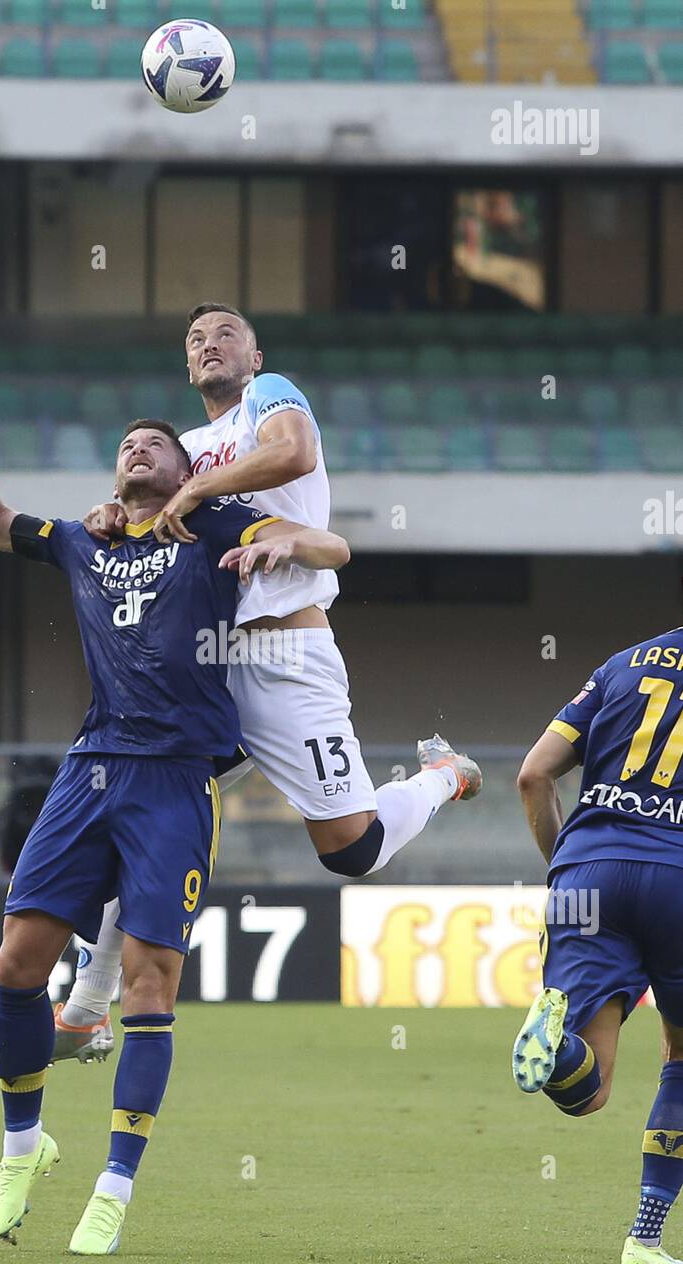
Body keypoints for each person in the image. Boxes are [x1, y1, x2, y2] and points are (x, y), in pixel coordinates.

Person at [0, 409, 349, 1255]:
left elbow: (336, 549)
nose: (138, 448)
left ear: (185, 471)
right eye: (126, 446)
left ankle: (113, 1188)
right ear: (114, 481)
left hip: (177, 780)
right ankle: (22, 1149)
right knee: (14, 963)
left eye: (156, 443)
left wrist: (283, 547)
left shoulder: (212, 524)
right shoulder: (84, 538)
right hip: (89, 769)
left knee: (150, 989)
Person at [53, 303, 482, 1059]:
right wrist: (112, 510)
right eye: (195, 339)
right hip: (206, 660)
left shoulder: (268, 398)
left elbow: (294, 455)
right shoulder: (182, 447)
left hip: (285, 656)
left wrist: (193, 494)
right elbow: (141, 510)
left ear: (255, 354)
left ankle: (444, 776)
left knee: (352, 852)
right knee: (147, 812)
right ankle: (88, 1006)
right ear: (187, 367)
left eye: (224, 334)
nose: (209, 344)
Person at [513, 624, 683, 1264]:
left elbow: (533, 775)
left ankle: (555, 1046)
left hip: (586, 874)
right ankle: (644, 1236)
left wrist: (571, 877)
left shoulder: (624, 663)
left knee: (588, 1091)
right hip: (676, 878)